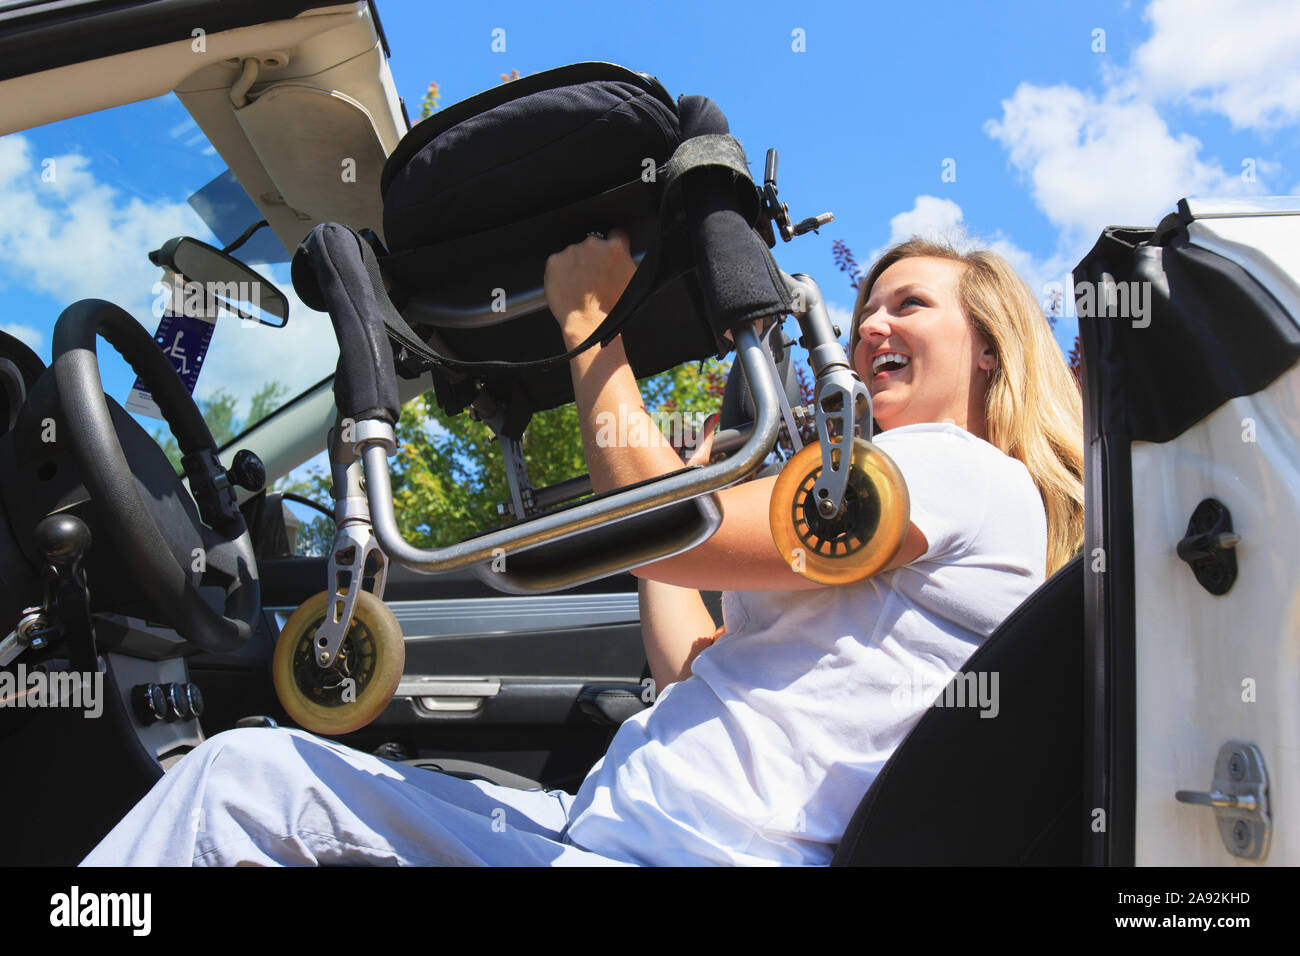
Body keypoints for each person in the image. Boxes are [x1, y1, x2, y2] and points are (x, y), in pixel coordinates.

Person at [80, 233, 1083, 867]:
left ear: (990, 344)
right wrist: (673, 530)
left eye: (909, 305)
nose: (870, 327)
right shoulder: (898, 495)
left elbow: (658, 514)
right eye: (870, 307)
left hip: (676, 854)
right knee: (252, 780)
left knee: (235, 786)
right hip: (609, 834)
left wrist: (589, 319)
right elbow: (699, 662)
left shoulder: (952, 465)